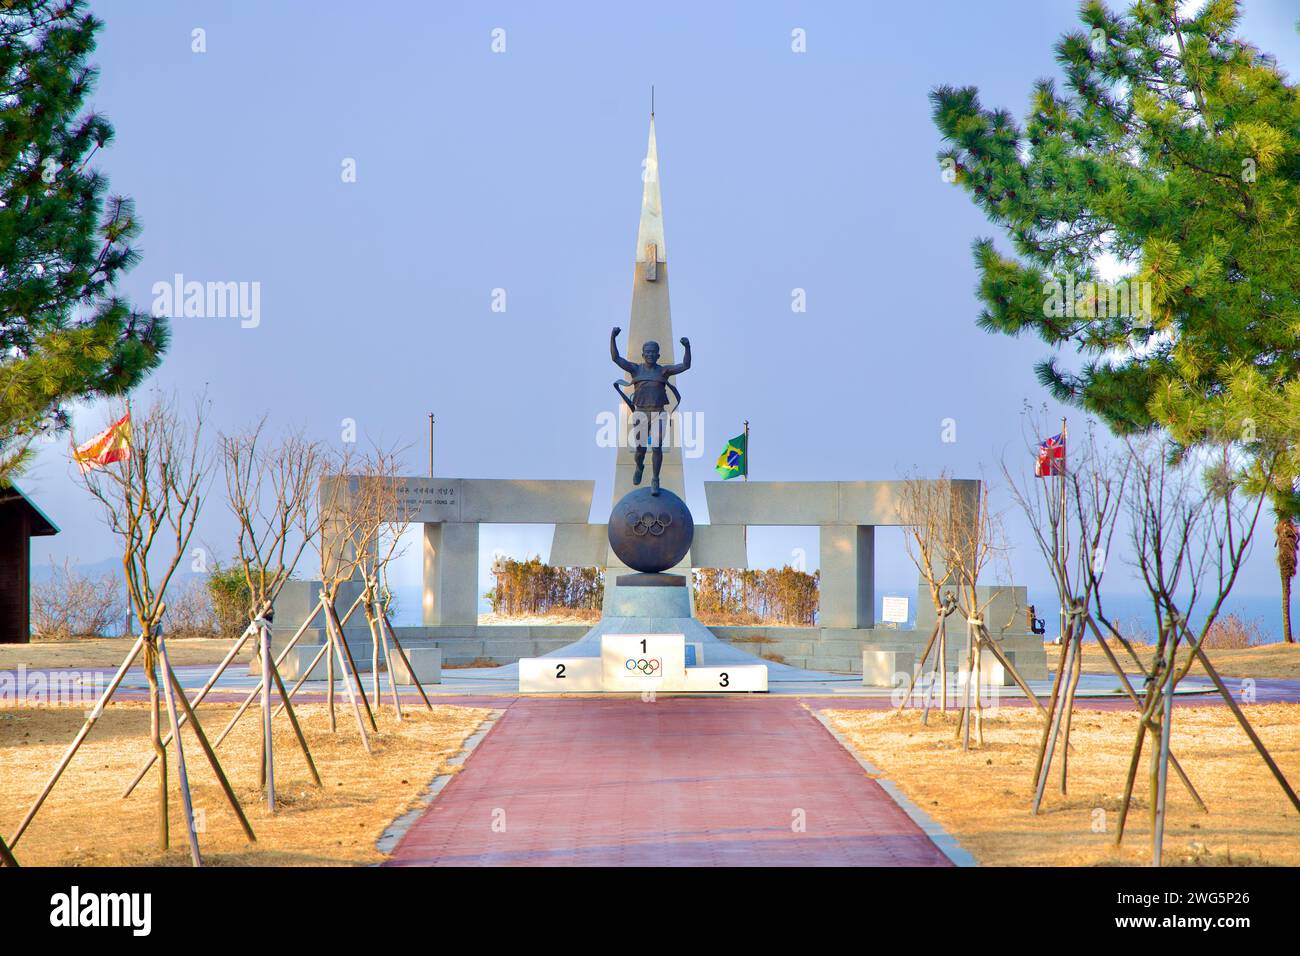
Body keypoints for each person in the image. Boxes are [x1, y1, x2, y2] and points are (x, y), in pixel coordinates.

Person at [610, 326, 690, 495]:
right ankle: (639, 466)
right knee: (640, 450)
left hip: (659, 412)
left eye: (654, 352)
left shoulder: (663, 371)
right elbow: (616, 358)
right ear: (643, 354)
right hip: (640, 413)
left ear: (658, 355)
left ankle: (655, 478)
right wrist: (613, 337)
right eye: (648, 352)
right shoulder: (636, 369)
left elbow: (685, 365)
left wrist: (687, 347)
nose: (651, 355)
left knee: (657, 446)